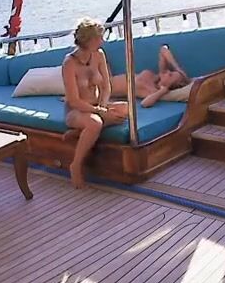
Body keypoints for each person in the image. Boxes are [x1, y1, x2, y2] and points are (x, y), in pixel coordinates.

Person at [62, 18, 128, 189]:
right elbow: (73, 100)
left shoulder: (99, 55)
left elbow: (106, 87)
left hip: (98, 106)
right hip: (76, 111)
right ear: (88, 40)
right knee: (95, 122)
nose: (102, 41)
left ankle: (79, 133)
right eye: (99, 38)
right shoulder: (69, 63)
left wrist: (103, 106)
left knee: (127, 109)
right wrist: (99, 111)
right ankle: (76, 165)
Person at [109, 44, 191, 108]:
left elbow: (144, 103)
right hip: (108, 77)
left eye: (170, 75)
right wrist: (178, 68)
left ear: (168, 85)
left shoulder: (152, 90)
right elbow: (163, 49)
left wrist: (162, 91)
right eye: (171, 71)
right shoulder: (159, 74)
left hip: (106, 88)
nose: (168, 71)